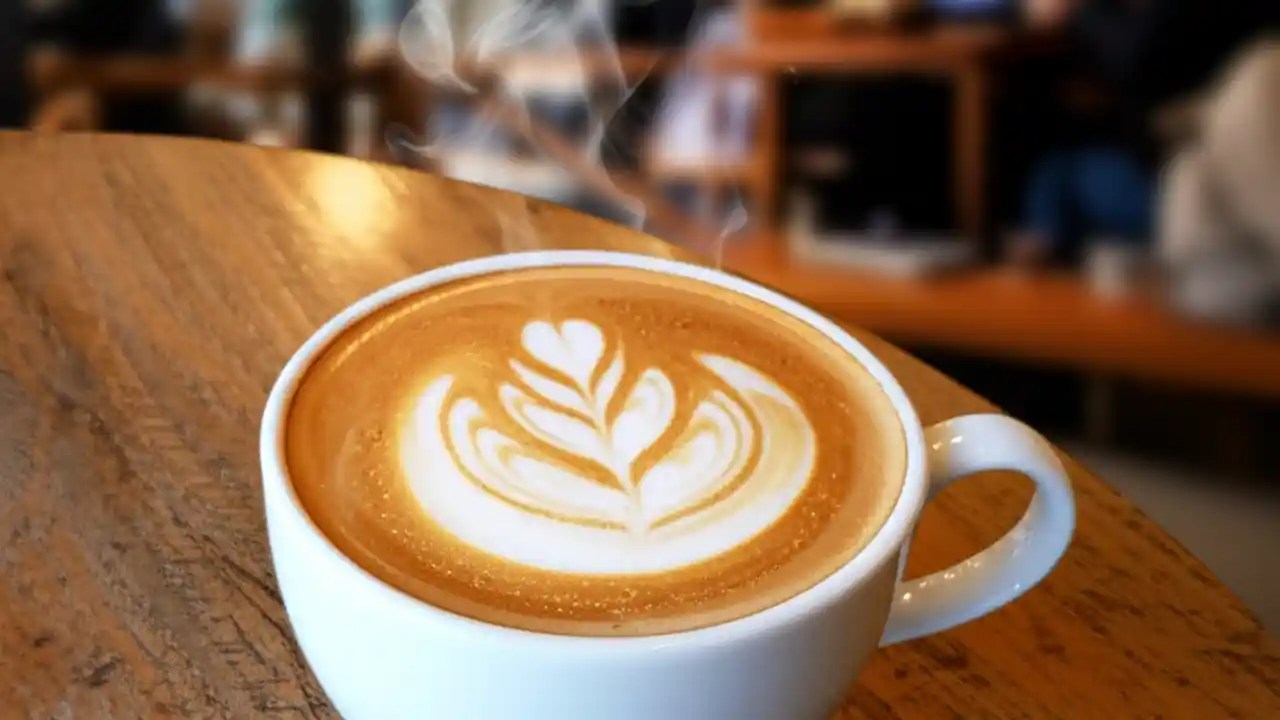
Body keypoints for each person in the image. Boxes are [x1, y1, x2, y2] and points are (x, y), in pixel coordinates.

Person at [1008, 0, 1277, 266]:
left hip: (1192, 174)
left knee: (1054, 177)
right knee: (1056, 170)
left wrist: (1077, 11)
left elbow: (1134, 54)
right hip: (1199, 158)